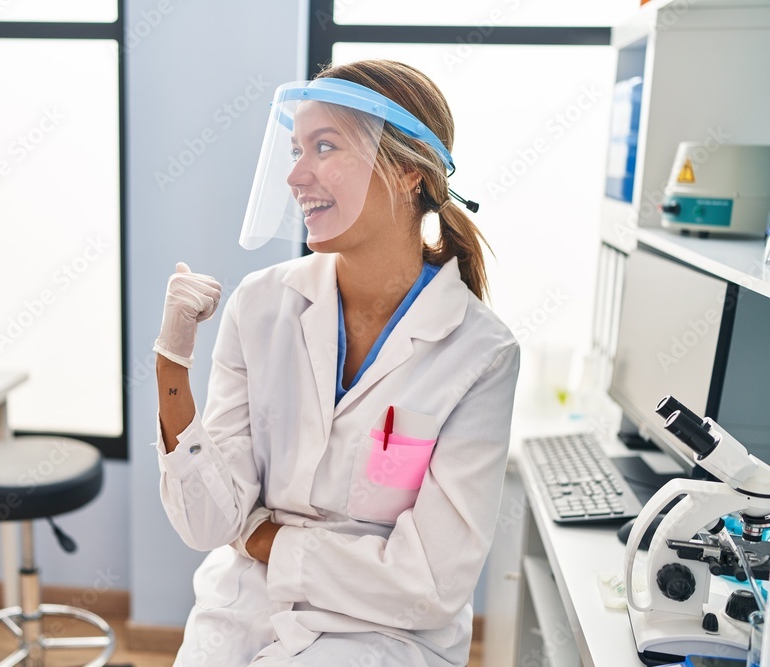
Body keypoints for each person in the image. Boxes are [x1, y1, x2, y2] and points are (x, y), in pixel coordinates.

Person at [152, 59, 520, 666]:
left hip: (382, 636)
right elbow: (209, 523)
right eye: (296, 149)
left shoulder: (479, 353)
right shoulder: (262, 305)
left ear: (407, 172)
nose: (295, 175)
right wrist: (172, 365)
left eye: (324, 147)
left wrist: (268, 538)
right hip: (244, 608)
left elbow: (428, 586)